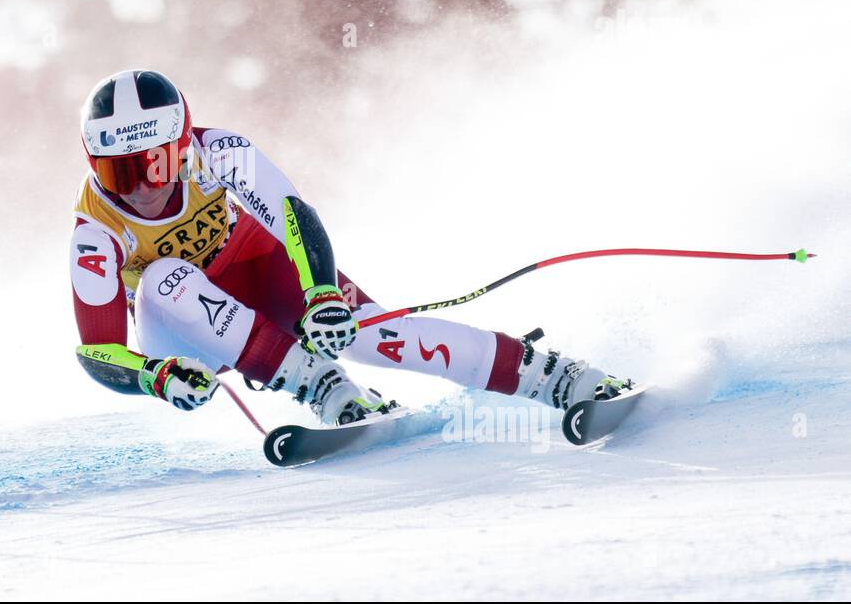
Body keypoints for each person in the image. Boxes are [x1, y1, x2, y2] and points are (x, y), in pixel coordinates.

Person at [69, 69, 630, 424]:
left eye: (158, 163)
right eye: (120, 174)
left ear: (183, 141)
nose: (144, 187)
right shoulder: (94, 231)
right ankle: (321, 386)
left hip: (258, 272)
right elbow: (96, 350)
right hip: (182, 334)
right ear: (95, 166)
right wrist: (154, 375)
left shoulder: (219, 151)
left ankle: (557, 377)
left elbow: (292, 214)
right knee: (168, 274)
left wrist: (320, 295)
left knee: (377, 336)